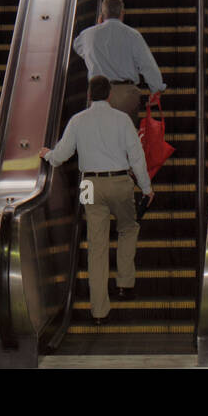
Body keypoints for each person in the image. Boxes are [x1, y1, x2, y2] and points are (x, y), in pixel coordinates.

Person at [40, 75, 154, 325]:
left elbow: (61, 155)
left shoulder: (78, 120)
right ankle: (125, 284)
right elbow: (136, 157)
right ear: (110, 95)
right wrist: (146, 187)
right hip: (120, 181)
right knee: (127, 228)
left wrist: (48, 155)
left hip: (89, 183)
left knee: (97, 244)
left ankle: (99, 310)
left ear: (90, 95)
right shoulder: (122, 120)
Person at [72, 0, 166, 126]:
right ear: (122, 13)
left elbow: (78, 47)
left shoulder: (88, 35)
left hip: (98, 94)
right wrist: (156, 89)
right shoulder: (133, 35)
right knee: (125, 135)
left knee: (99, 135)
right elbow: (147, 65)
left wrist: (97, 30)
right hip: (126, 95)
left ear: (102, 14)